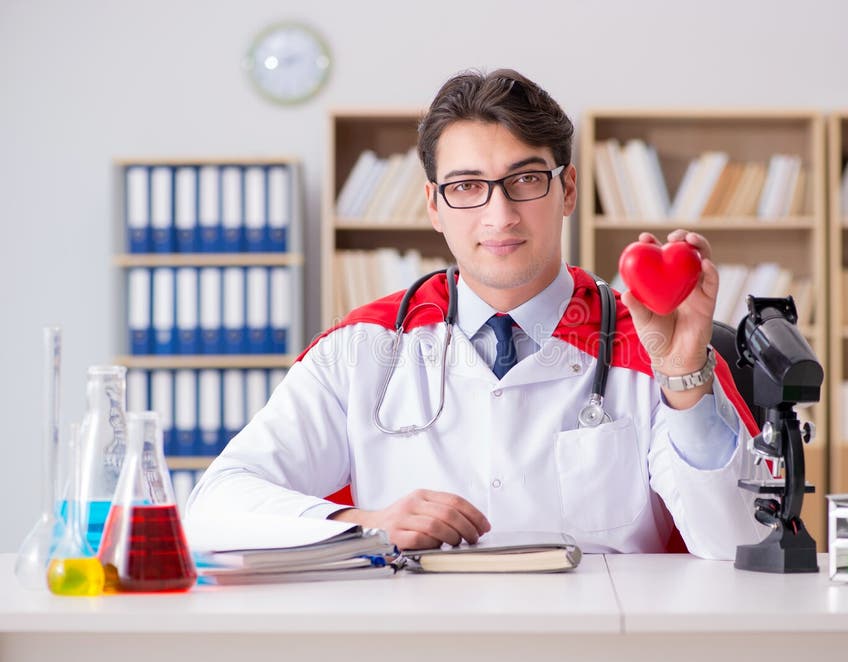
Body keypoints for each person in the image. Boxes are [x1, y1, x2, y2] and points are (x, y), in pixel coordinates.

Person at [187, 68, 769, 559]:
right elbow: (215, 506)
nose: (500, 215)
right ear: (434, 205)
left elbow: (746, 544)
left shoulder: (650, 350)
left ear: (568, 190)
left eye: (524, 180)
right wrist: (366, 525)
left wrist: (686, 378)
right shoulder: (362, 348)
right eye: (467, 186)